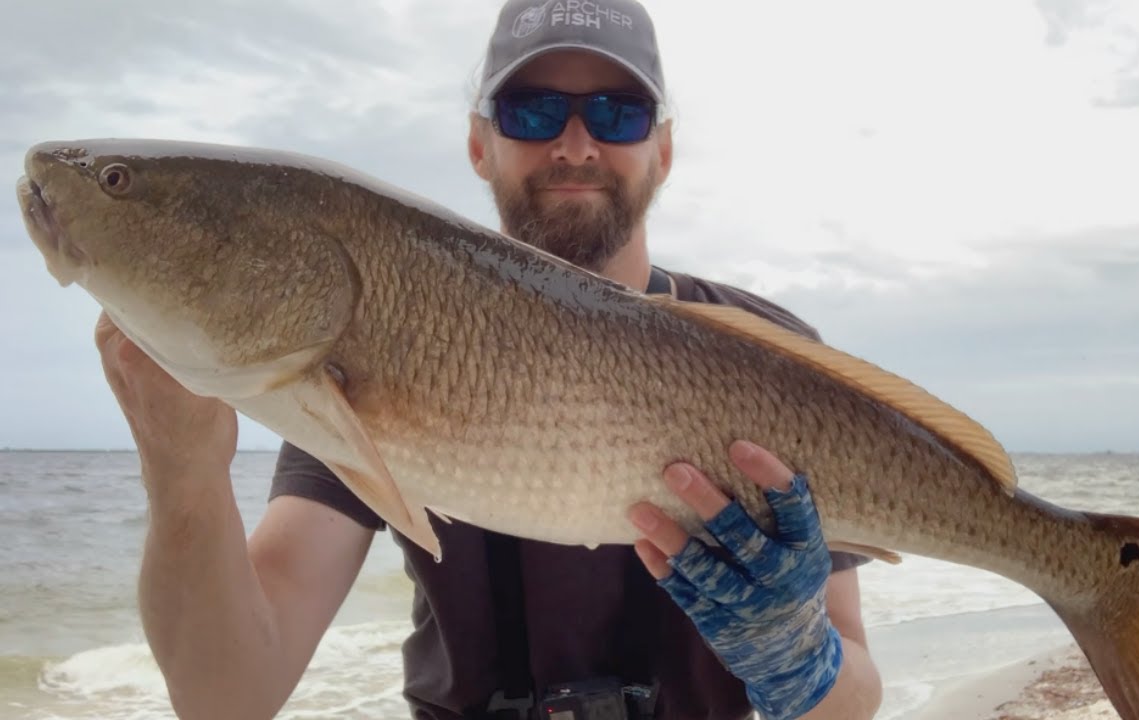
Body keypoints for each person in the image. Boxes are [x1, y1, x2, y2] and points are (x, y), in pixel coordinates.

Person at [93, 1, 884, 719]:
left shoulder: (770, 356)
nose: (575, 145)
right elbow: (225, 698)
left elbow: (852, 704)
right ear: (480, 143)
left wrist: (795, 655)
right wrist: (182, 468)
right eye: (531, 110)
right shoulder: (363, 350)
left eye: (618, 112)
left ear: (664, 148)